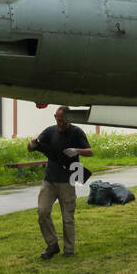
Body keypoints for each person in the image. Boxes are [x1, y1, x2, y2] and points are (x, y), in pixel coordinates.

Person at [28, 106, 93, 260]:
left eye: (63, 120)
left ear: (69, 119)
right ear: (55, 117)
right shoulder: (50, 131)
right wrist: (32, 144)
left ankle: (69, 251)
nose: (60, 123)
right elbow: (31, 147)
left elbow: (90, 151)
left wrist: (77, 151)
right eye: (58, 119)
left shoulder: (77, 132)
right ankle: (52, 245)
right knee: (43, 213)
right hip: (49, 180)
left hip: (68, 181)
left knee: (67, 218)